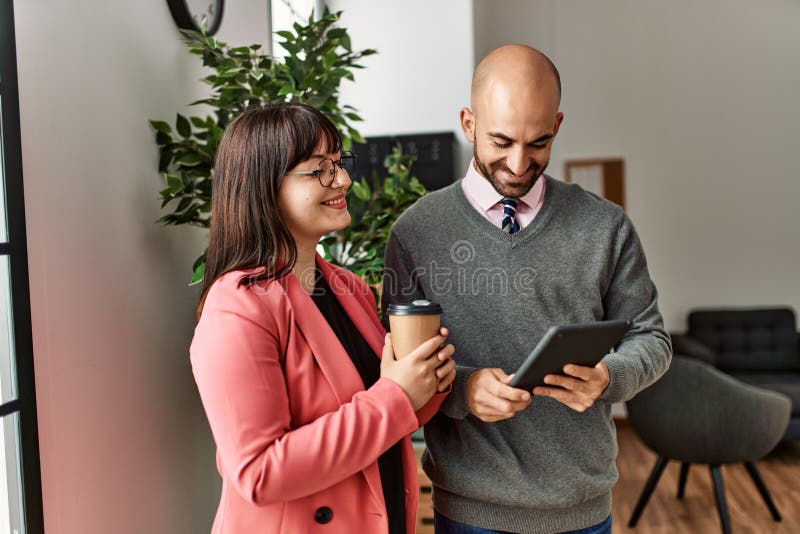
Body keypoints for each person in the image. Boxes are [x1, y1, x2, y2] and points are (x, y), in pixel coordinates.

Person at [382, 45, 672, 534]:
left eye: (538, 142)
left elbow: (653, 340)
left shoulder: (606, 226)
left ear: (557, 125)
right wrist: (463, 389)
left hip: (581, 511)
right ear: (468, 123)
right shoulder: (415, 233)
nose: (519, 163)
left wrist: (609, 377)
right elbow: (393, 361)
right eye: (501, 141)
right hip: (470, 512)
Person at [190, 102, 456, 534]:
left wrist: (429, 380)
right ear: (265, 185)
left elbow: (385, 412)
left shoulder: (347, 287)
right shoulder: (237, 307)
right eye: (321, 169)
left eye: (339, 162)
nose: (345, 180)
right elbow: (259, 473)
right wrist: (398, 395)